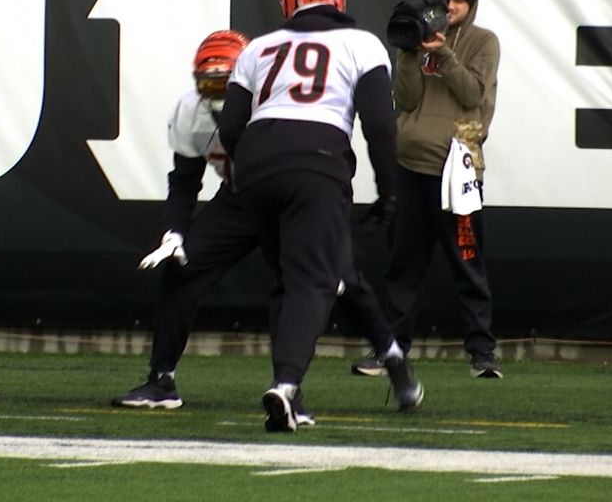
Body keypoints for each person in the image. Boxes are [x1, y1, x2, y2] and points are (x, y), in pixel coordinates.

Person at [112, 30, 418, 423]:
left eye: (227, 84)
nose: (220, 95)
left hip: (295, 198)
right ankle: (162, 380)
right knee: (183, 268)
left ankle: (391, 356)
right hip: (239, 201)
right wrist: (174, 233)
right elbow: (185, 179)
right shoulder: (192, 110)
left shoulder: (278, 102)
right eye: (209, 84)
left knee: (339, 284)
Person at [218, 0, 421, 433]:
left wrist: (254, 167)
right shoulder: (362, 44)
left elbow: (231, 127)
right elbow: (378, 122)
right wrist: (389, 189)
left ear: (288, 6)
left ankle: (393, 362)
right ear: (339, 1)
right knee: (313, 281)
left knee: (320, 278)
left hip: (257, 165)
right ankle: (287, 386)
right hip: (316, 163)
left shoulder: (256, 48)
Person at [353, 0, 502, 379]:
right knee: (404, 265)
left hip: (458, 169)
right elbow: (407, 99)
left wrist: (445, 53)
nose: (452, 6)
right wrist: (409, 53)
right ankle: (392, 349)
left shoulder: (483, 41)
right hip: (410, 165)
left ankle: (482, 353)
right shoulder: (417, 36)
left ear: (471, 5)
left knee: (467, 261)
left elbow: (472, 93)